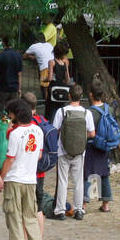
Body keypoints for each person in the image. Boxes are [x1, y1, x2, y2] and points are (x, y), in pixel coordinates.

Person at [1, 99, 49, 240]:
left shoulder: (15, 134)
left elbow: (9, 159)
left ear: (16, 115)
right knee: (30, 216)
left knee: (14, 216)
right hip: (31, 179)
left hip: (15, 179)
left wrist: (1, 177)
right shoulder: (38, 130)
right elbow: (40, 154)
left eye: (11, 113)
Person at [52, 84, 94, 219]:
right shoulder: (87, 113)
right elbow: (92, 133)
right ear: (81, 97)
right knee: (78, 181)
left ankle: (60, 210)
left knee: (62, 180)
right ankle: (79, 209)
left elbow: (55, 130)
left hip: (63, 150)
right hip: (80, 151)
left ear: (69, 95)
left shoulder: (61, 111)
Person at [83, 87, 114, 215]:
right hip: (105, 145)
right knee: (104, 173)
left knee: (87, 173)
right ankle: (105, 204)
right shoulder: (109, 109)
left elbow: (89, 132)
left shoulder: (89, 112)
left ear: (91, 94)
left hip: (92, 145)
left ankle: (83, 203)